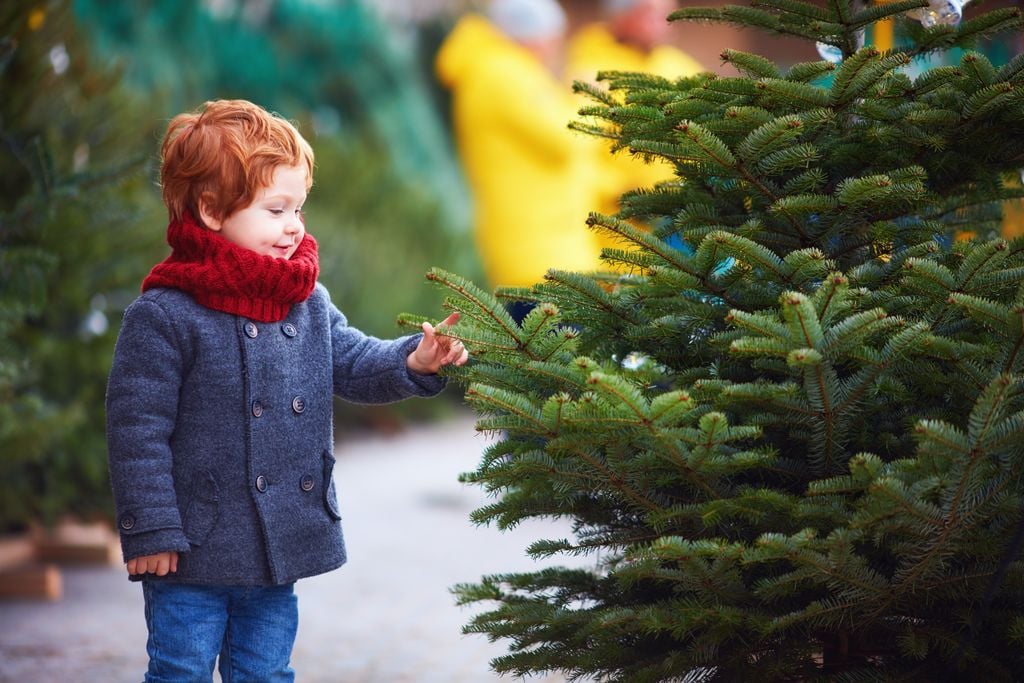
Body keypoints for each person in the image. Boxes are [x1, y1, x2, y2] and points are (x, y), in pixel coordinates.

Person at [105, 99, 468, 682]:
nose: (295, 224)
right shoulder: (165, 315)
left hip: (277, 546)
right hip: (192, 548)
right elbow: (137, 433)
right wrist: (150, 530)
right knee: (181, 670)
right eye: (276, 209)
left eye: (298, 207)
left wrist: (415, 358)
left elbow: (352, 362)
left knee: (266, 673)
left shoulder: (306, 299)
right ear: (211, 209)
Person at [435, 0, 603, 303]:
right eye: (554, 39)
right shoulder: (504, 74)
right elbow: (569, 138)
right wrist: (590, 98)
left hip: (543, 251)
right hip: (540, 256)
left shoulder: (497, 70)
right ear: (534, 37)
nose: (554, 50)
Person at [567, 0, 704, 216]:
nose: (667, 22)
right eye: (652, 14)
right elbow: (576, 146)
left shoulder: (679, 66)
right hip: (617, 224)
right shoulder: (593, 73)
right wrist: (618, 192)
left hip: (685, 215)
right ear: (622, 17)